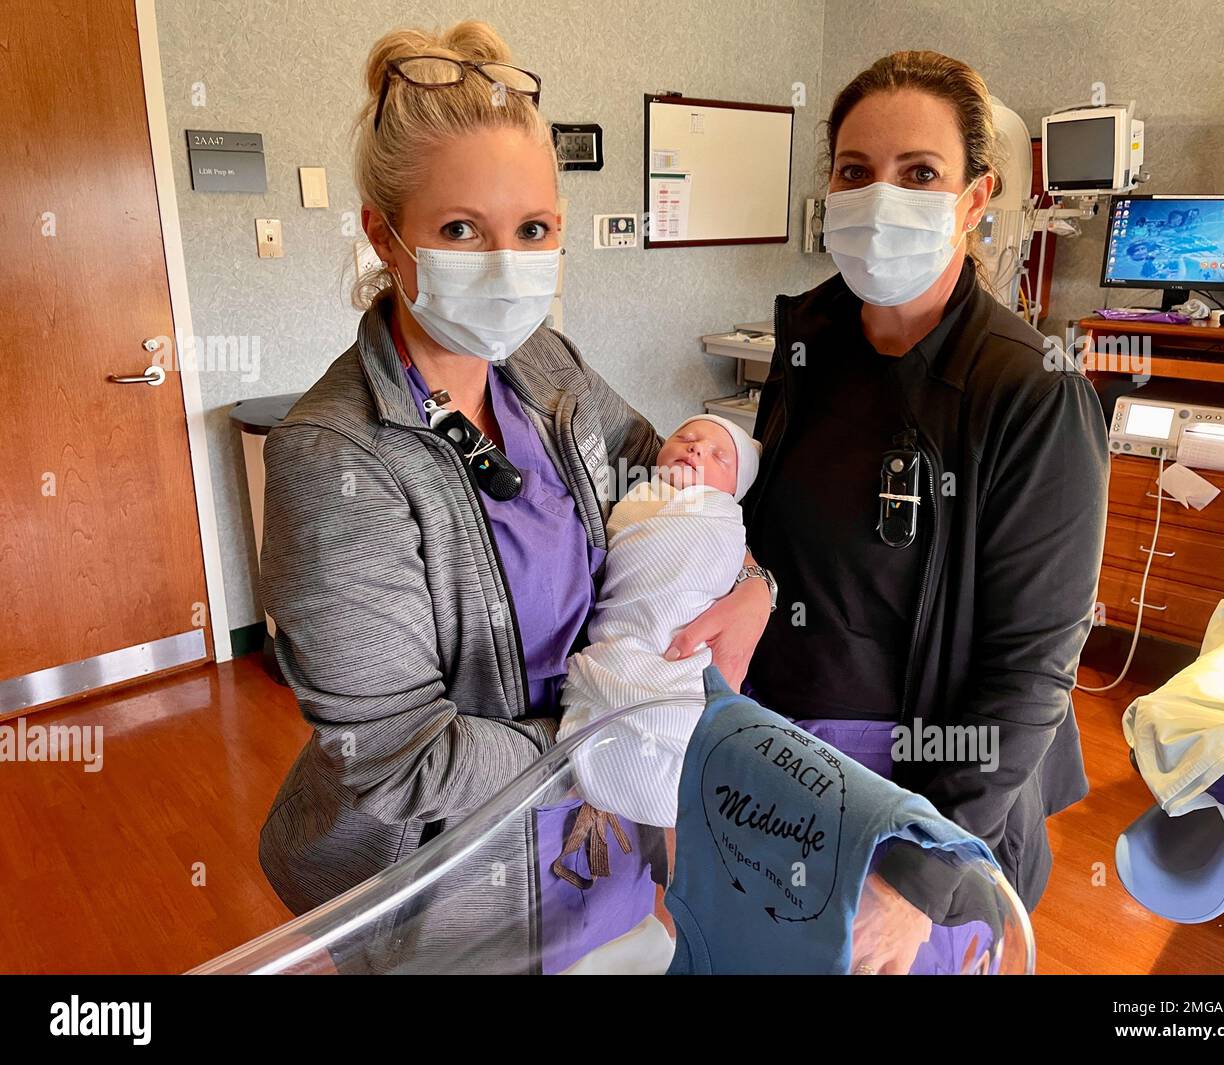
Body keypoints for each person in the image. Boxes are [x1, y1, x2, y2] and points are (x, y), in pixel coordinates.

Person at [255, 20, 772, 972]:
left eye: (532, 229)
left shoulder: (541, 364)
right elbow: (398, 761)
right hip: (455, 891)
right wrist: (620, 728)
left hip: (598, 850)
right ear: (385, 233)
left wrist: (755, 585)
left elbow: (678, 482)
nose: (506, 263)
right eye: (460, 230)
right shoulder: (332, 459)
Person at [741, 50, 1109, 973]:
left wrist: (916, 878)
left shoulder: (1027, 392)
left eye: (920, 174)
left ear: (975, 199)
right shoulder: (808, 342)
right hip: (785, 759)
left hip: (929, 793)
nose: (881, 196)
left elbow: (1028, 676)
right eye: (856, 172)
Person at [558, 415, 761, 827]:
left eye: (719, 456)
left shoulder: (721, 520)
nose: (696, 448)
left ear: (734, 492)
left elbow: (716, 568)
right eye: (684, 436)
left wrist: (758, 587)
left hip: (678, 650)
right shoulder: (637, 497)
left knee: (686, 702)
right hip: (624, 633)